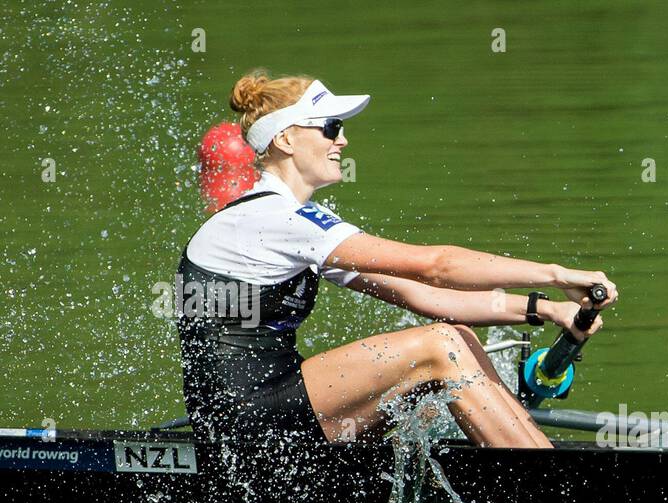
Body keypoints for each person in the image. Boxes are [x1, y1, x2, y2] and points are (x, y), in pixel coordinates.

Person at [176, 70, 617, 452]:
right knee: (439, 347)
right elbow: (436, 266)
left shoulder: (298, 224)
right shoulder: (271, 217)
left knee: (454, 337)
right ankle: (547, 486)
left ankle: (517, 469)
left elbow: (426, 296)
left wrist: (545, 308)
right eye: (330, 127)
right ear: (286, 138)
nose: (343, 139)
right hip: (242, 423)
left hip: (272, 405)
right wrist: (558, 274)